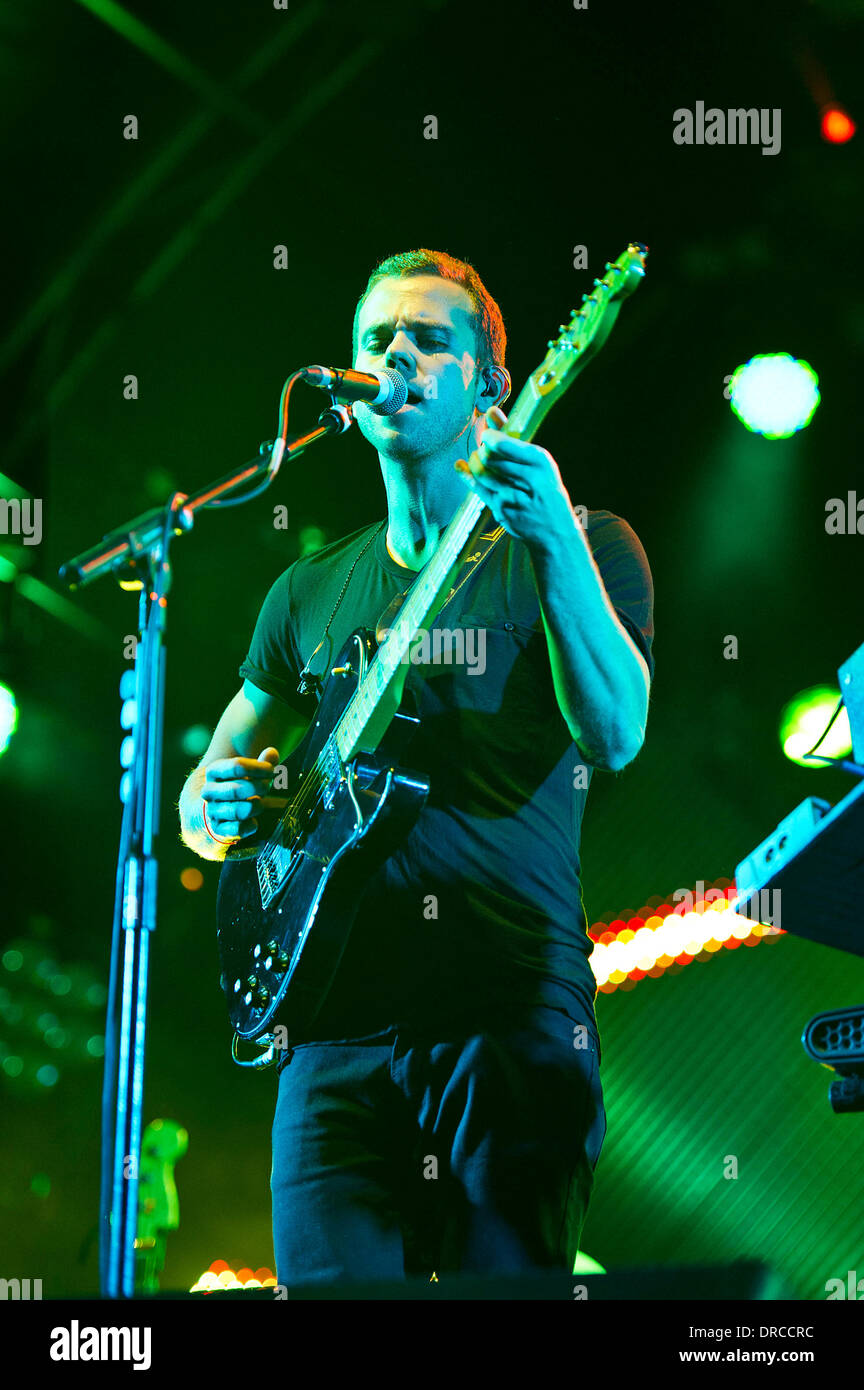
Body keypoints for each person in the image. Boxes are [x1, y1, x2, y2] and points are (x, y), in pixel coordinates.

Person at [178, 248, 655, 1288]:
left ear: (494, 379)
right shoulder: (307, 588)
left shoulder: (584, 540)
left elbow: (616, 733)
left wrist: (554, 545)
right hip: (331, 1039)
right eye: (377, 339)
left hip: (505, 1009)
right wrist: (217, 808)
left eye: (430, 339)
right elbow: (203, 800)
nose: (395, 354)